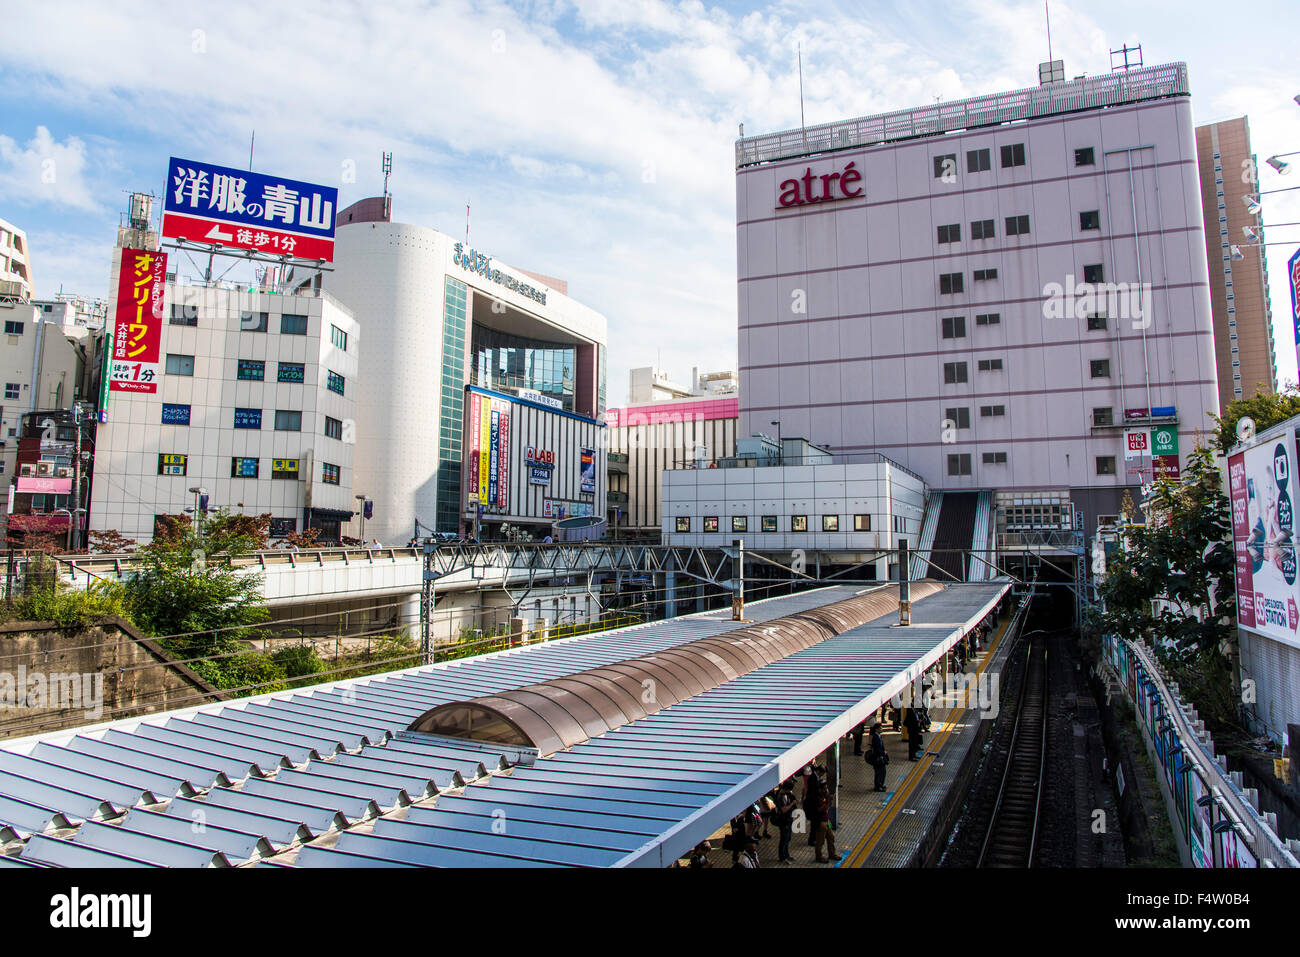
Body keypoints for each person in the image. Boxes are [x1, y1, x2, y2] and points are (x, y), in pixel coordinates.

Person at [812, 786, 839, 863]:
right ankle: (818, 856)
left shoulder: (825, 795)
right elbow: (820, 809)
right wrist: (826, 804)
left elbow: (827, 803)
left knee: (831, 836)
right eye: (824, 788)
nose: (825, 790)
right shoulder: (817, 798)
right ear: (820, 789)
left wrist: (828, 800)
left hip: (827, 821)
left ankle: (832, 853)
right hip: (821, 823)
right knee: (820, 840)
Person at [773, 781, 797, 863]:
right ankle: (782, 857)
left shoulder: (787, 795)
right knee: (784, 839)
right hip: (784, 821)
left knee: (788, 838)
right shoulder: (780, 797)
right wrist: (792, 804)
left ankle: (786, 854)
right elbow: (784, 810)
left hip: (788, 819)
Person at [866, 722, 888, 791]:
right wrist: (883, 752)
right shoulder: (875, 738)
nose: (882, 729)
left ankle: (880, 785)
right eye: (880, 728)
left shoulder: (878, 736)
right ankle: (878, 787)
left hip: (881, 757)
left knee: (883, 772)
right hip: (878, 758)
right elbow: (877, 749)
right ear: (876, 729)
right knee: (879, 772)